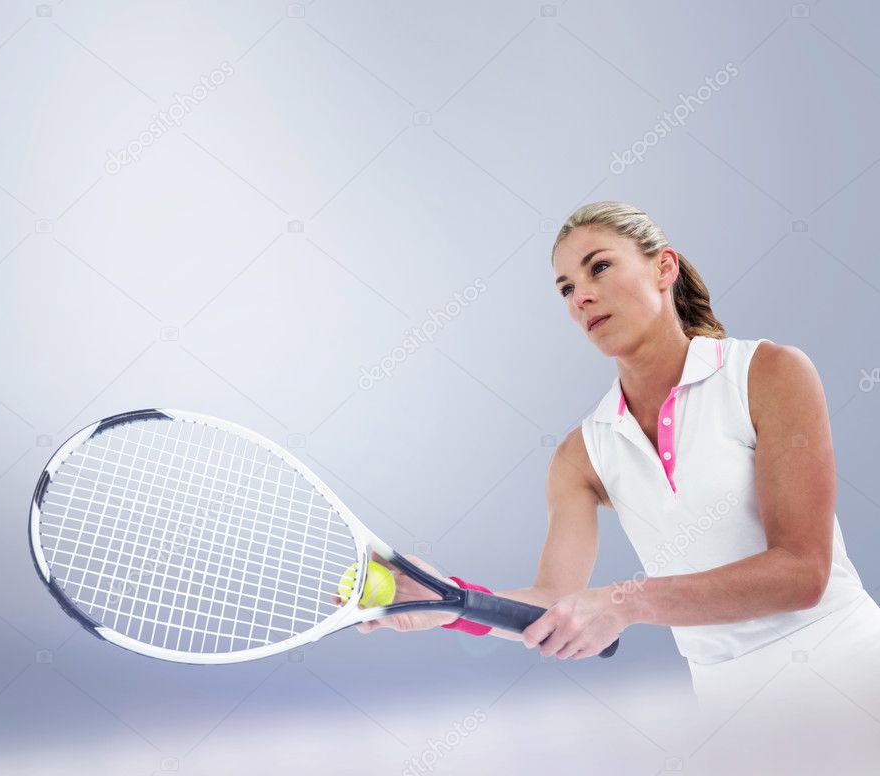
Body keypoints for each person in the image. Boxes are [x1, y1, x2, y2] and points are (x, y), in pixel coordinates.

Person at [357, 201, 880, 714]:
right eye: (566, 289)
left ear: (663, 267)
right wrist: (446, 602)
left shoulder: (768, 374)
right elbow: (556, 599)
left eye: (600, 268)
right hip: (731, 716)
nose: (581, 296)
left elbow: (802, 572)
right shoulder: (580, 455)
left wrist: (624, 602)